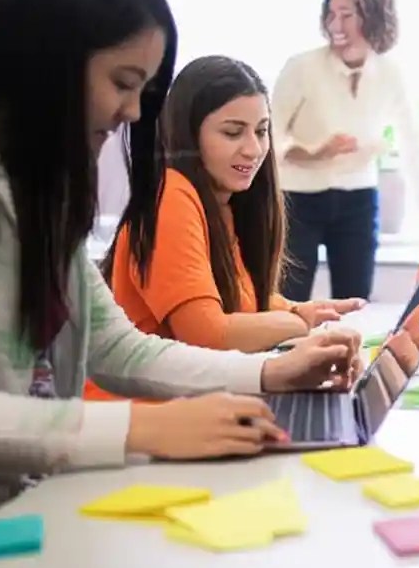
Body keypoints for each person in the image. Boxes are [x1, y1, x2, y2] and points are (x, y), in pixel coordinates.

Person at [0, 0, 358, 568]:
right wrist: (143, 427)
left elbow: (119, 349)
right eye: (122, 83)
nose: (133, 111)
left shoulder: (37, 182)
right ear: (50, 61)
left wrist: (271, 374)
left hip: (20, 509)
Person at [106, 55, 364, 355]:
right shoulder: (169, 197)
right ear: (188, 135)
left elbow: (243, 301)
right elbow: (208, 333)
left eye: (261, 131)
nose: (254, 150)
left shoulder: (222, 206)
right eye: (232, 133)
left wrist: (302, 312)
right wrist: (300, 324)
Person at [271, 0, 419, 302]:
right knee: (289, 301)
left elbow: (413, 148)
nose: (336, 24)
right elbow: (269, 135)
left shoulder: (390, 73)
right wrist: (312, 153)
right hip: (297, 198)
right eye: (331, 14)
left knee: (355, 302)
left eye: (347, 15)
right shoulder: (301, 67)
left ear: (373, 18)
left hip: (358, 199)